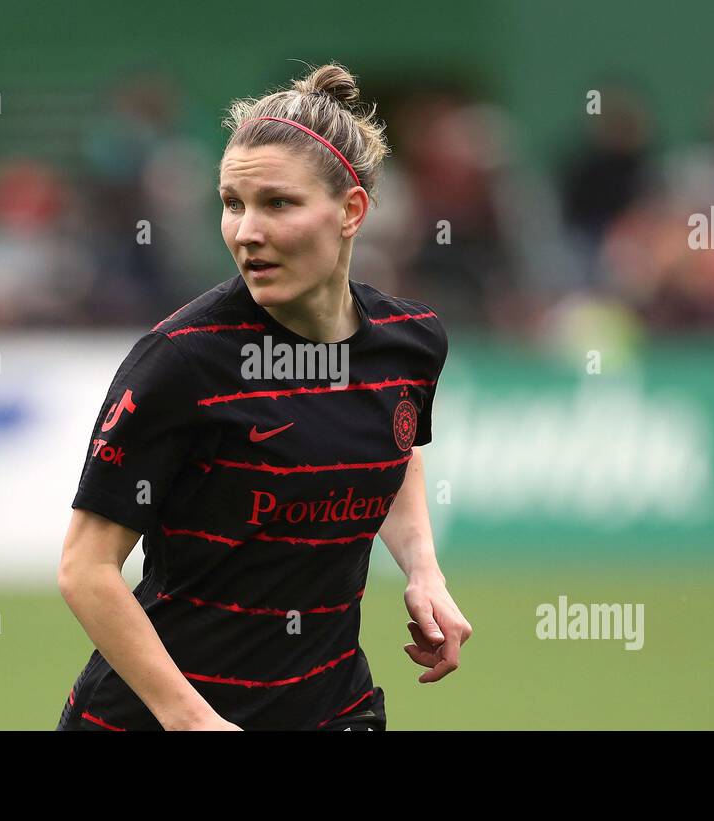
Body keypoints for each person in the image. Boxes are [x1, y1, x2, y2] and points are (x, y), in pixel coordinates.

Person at [56, 63, 472, 731]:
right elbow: (86, 568)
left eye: (277, 203)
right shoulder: (182, 362)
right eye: (232, 203)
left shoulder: (410, 342)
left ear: (351, 212)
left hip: (332, 707)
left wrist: (424, 569)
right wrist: (193, 720)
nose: (246, 230)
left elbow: (395, 447)